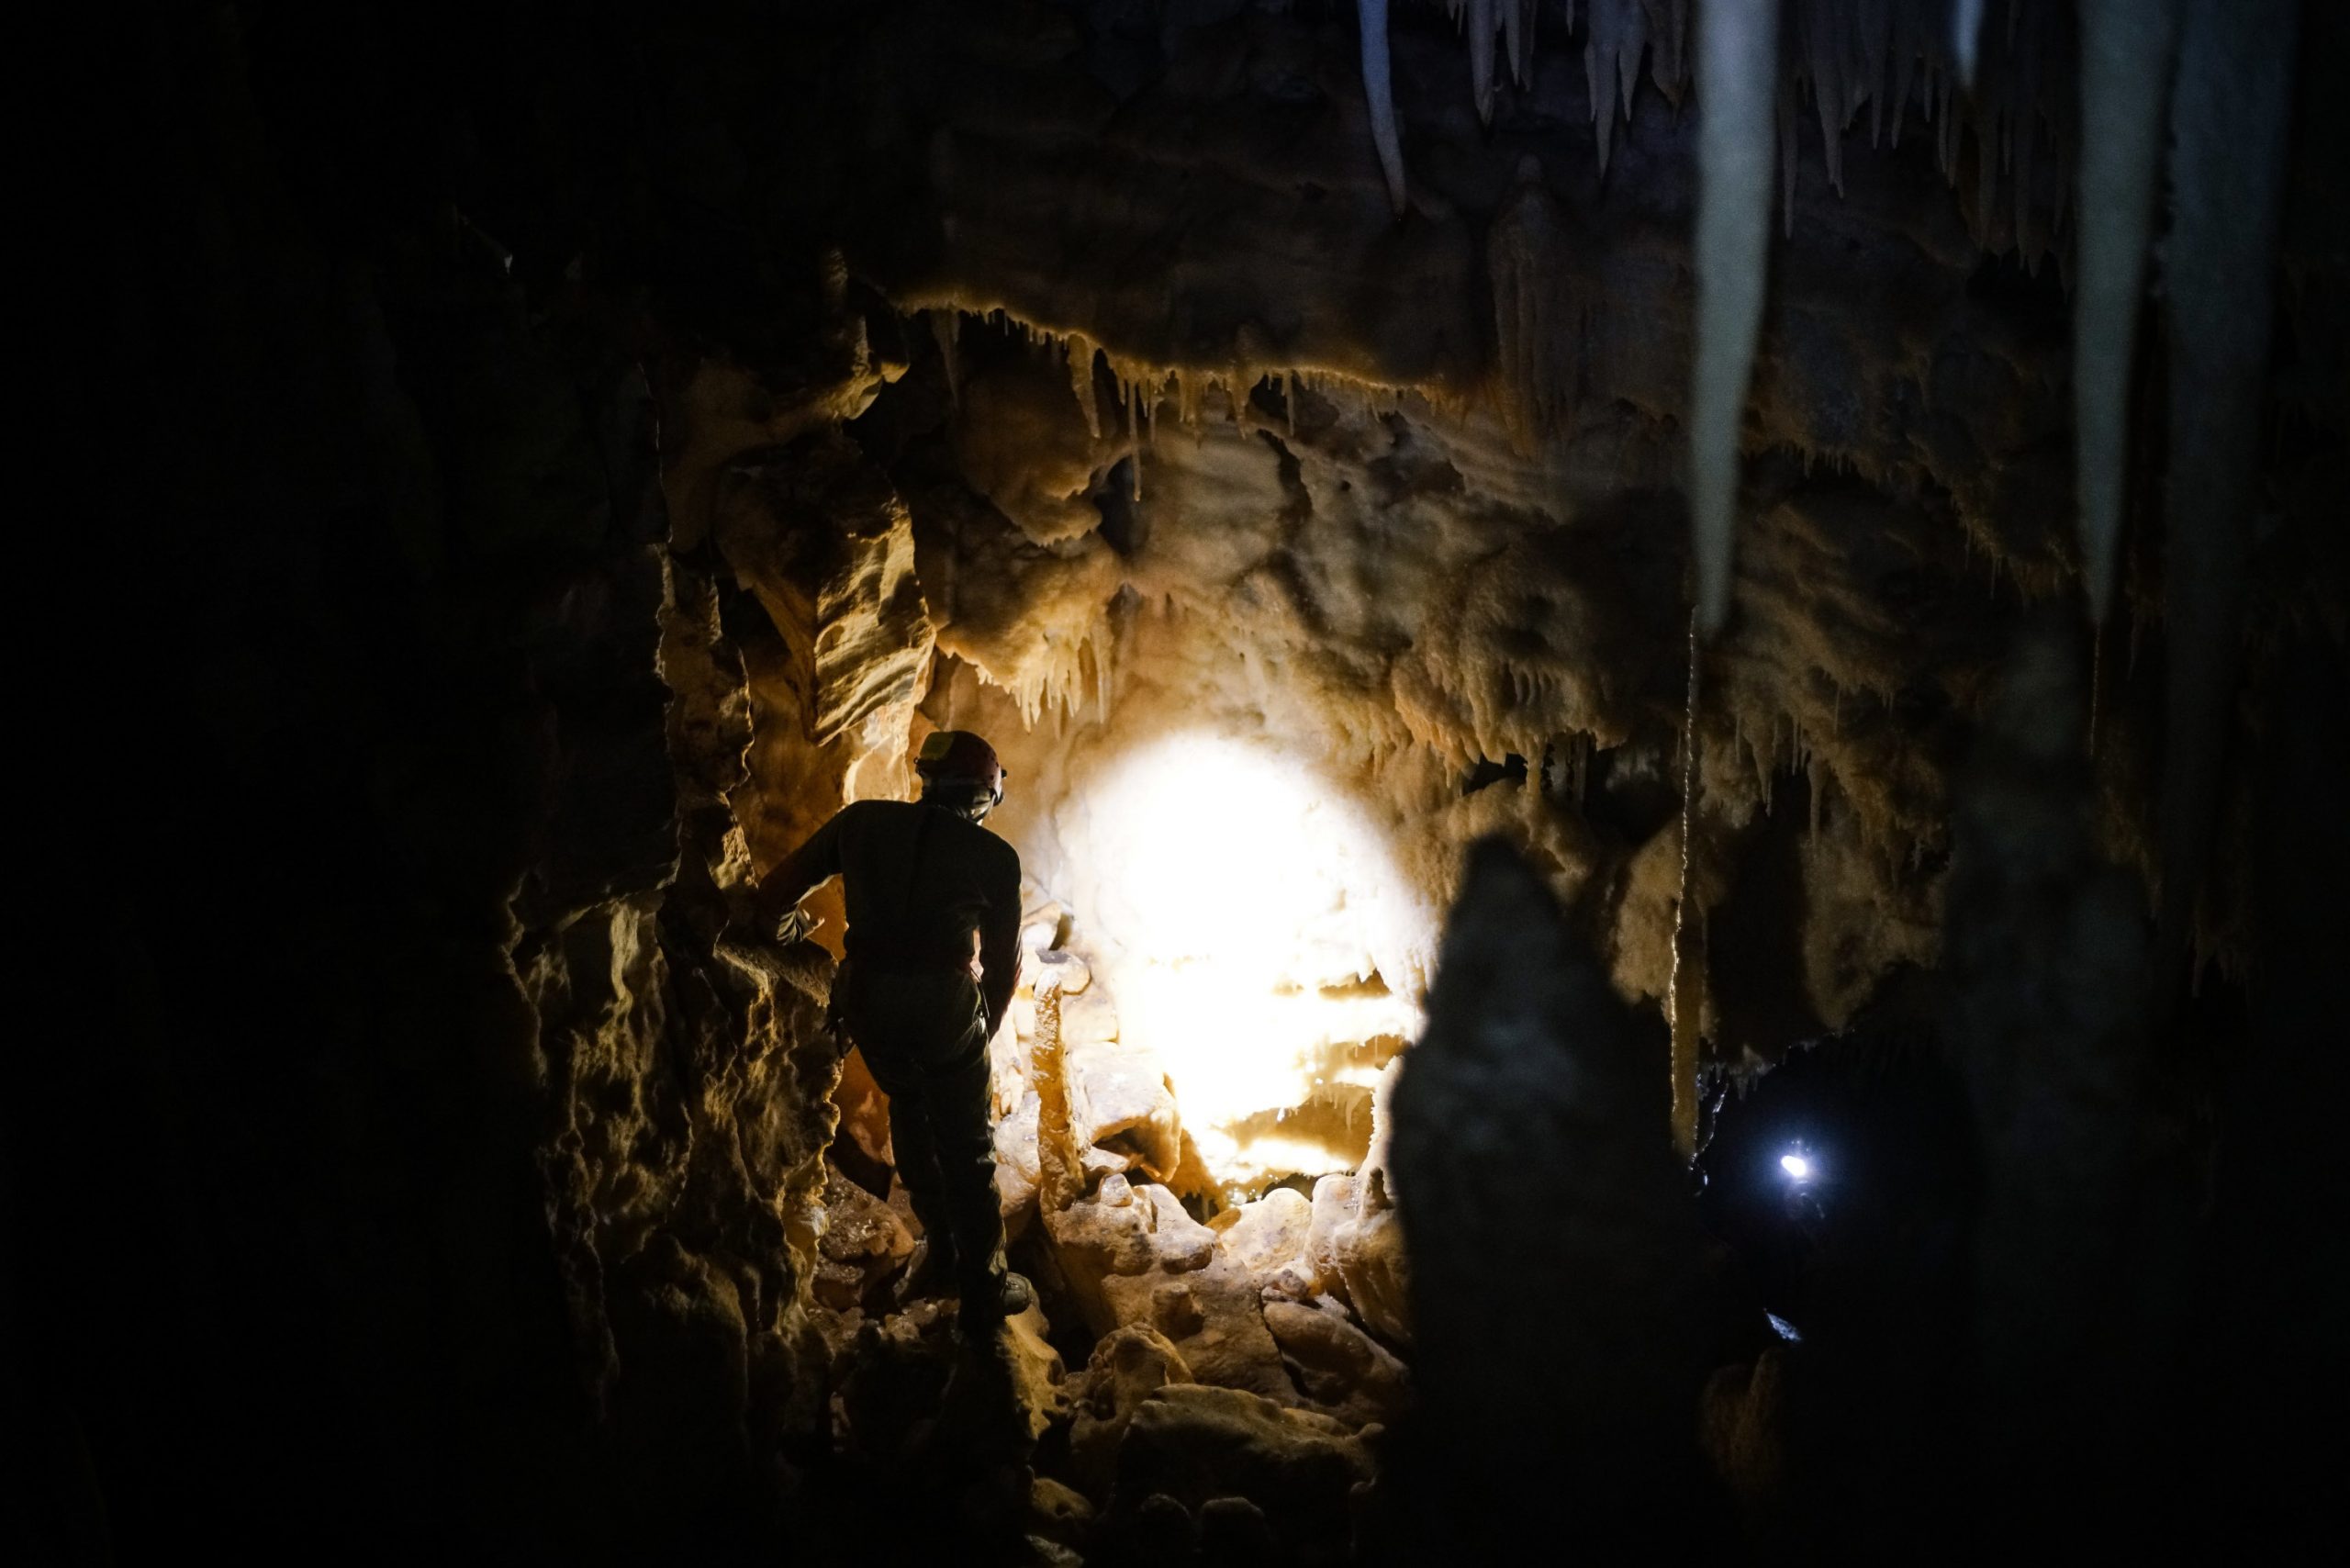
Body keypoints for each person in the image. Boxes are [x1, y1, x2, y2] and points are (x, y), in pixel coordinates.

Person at [751, 729, 1033, 1324]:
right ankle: (983, 1291)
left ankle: (938, 1246)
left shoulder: (861, 824)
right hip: (938, 1004)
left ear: (926, 781)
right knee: (968, 1150)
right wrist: (979, 1029)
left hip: (868, 998)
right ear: (984, 796)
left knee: (907, 1103)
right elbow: (1003, 967)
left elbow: (772, 896)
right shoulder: (992, 858)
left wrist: (788, 933)